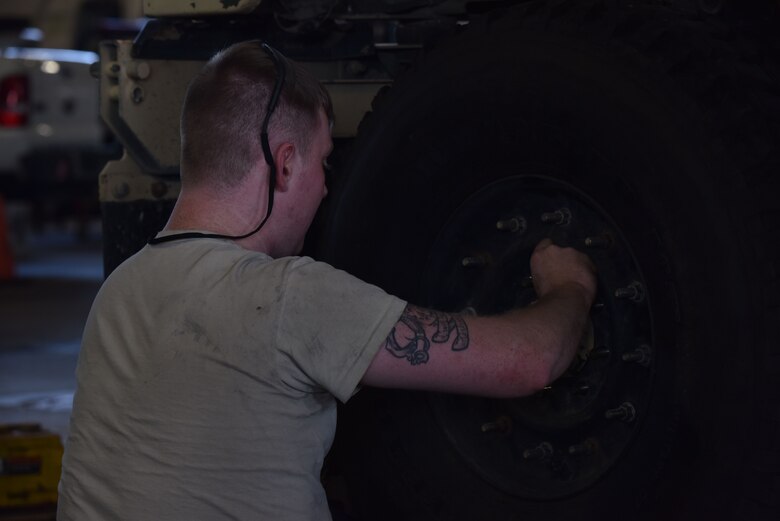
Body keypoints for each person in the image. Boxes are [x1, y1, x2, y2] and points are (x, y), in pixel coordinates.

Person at [57, 41, 597, 520]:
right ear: (285, 165)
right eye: (324, 164)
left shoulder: (117, 292)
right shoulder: (287, 297)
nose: (323, 189)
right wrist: (569, 286)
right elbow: (530, 361)